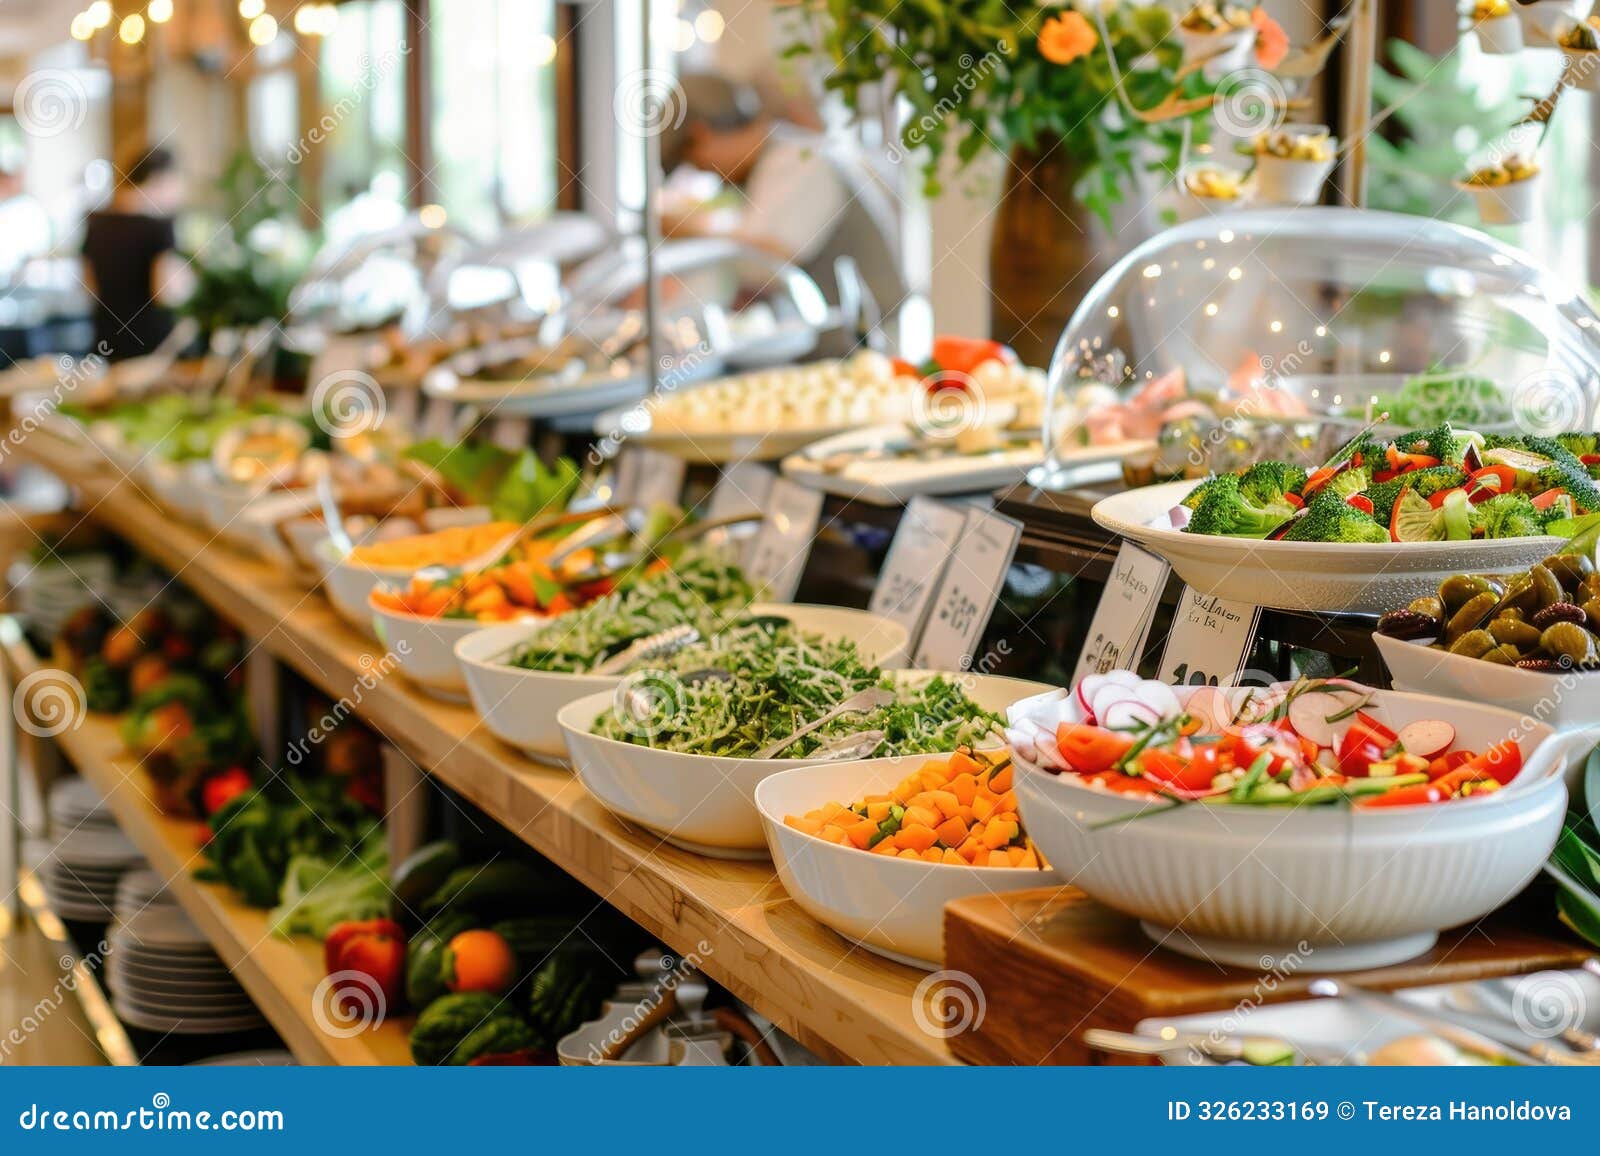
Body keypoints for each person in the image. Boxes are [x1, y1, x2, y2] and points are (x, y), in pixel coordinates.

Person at [660, 72, 905, 341]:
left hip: (864, 347)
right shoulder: (777, 161)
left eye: (695, 162)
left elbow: (767, 264)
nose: (706, 173)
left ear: (702, 135)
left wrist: (690, 228)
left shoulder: (799, 161)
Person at [81, 146, 187, 361]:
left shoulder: (96, 223)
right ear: (160, 177)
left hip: (106, 343)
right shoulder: (160, 227)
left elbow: (88, 288)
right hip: (152, 350)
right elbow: (166, 293)